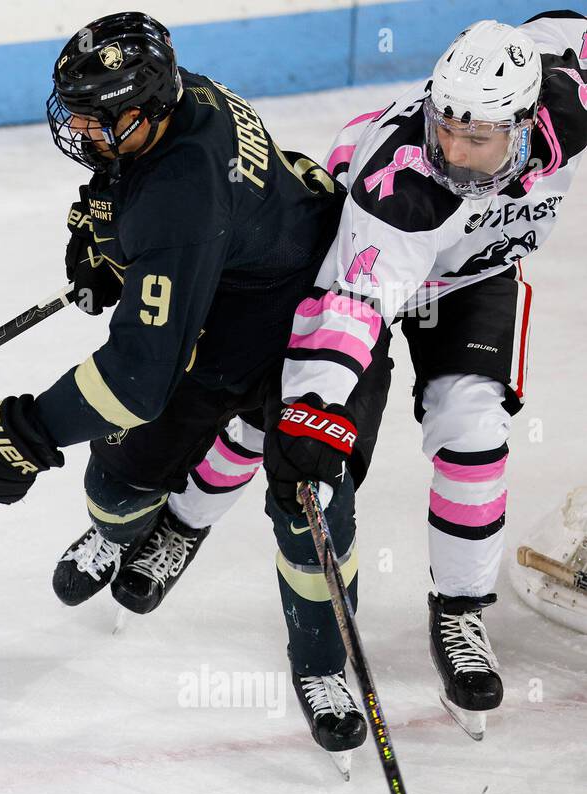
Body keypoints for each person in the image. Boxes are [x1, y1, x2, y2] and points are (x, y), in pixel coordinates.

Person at [0, 11, 392, 775]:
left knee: (311, 503)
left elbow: (138, 378)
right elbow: (147, 196)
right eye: (73, 107)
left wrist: (25, 432)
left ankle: (321, 663)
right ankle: (126, 532)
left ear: (145, 109)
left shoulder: (182, 200)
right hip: (226, 305)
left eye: (95, 115)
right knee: (121, 478)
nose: (77, 126)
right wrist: (110, 239)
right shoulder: (186, 100)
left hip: (315, 333)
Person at [136, 12, 587, 739]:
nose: (454, 148)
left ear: (526, 124)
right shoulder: (399, 190)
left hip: (472, 280)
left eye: (477, 137)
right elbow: (350, 308)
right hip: (357, 259)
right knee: (277, 425)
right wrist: (314, 408)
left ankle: (461, 614)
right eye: (446, 128)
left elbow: (566, 29)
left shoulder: (569, 105)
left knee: (473, 431)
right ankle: (184, 520)